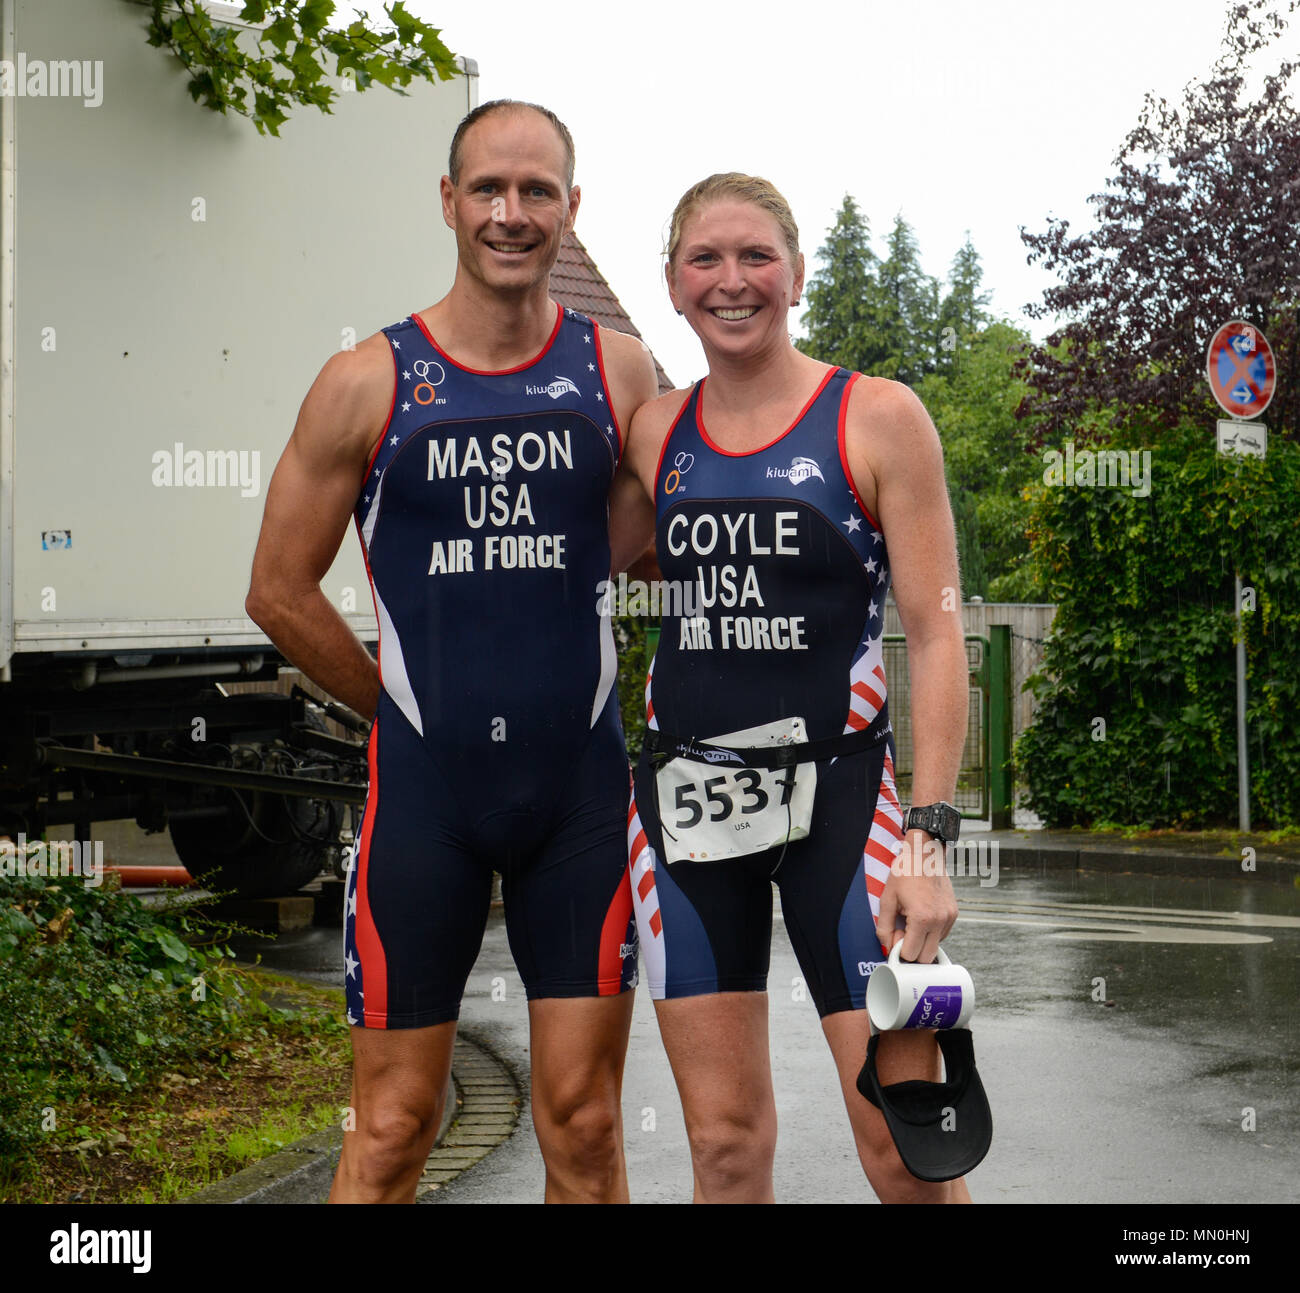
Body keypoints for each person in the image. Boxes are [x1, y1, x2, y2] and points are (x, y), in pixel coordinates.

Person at [245, 100, 659, 1204]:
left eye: (537, 192)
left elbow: (670, 537)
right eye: (488, 188)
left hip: (578, 796)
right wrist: (397, 716)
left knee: (581, 1123)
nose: (511, 214)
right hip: (424, 796)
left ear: (571, 210)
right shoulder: (364, 383)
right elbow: (277, 591)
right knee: (390, 1126)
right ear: (448, 201)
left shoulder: (620, 375)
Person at [613, 173, 973, 1203]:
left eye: (756, 256)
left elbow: (936, 633)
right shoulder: (653, 433)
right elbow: (593, 560)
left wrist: (928, 841)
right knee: (725, 1151)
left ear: (797, 273)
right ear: (674, 286)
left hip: (849, 813)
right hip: (686, 813)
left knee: (907, 1150)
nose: (733, 282)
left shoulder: (878, 418)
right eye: (706, 260)